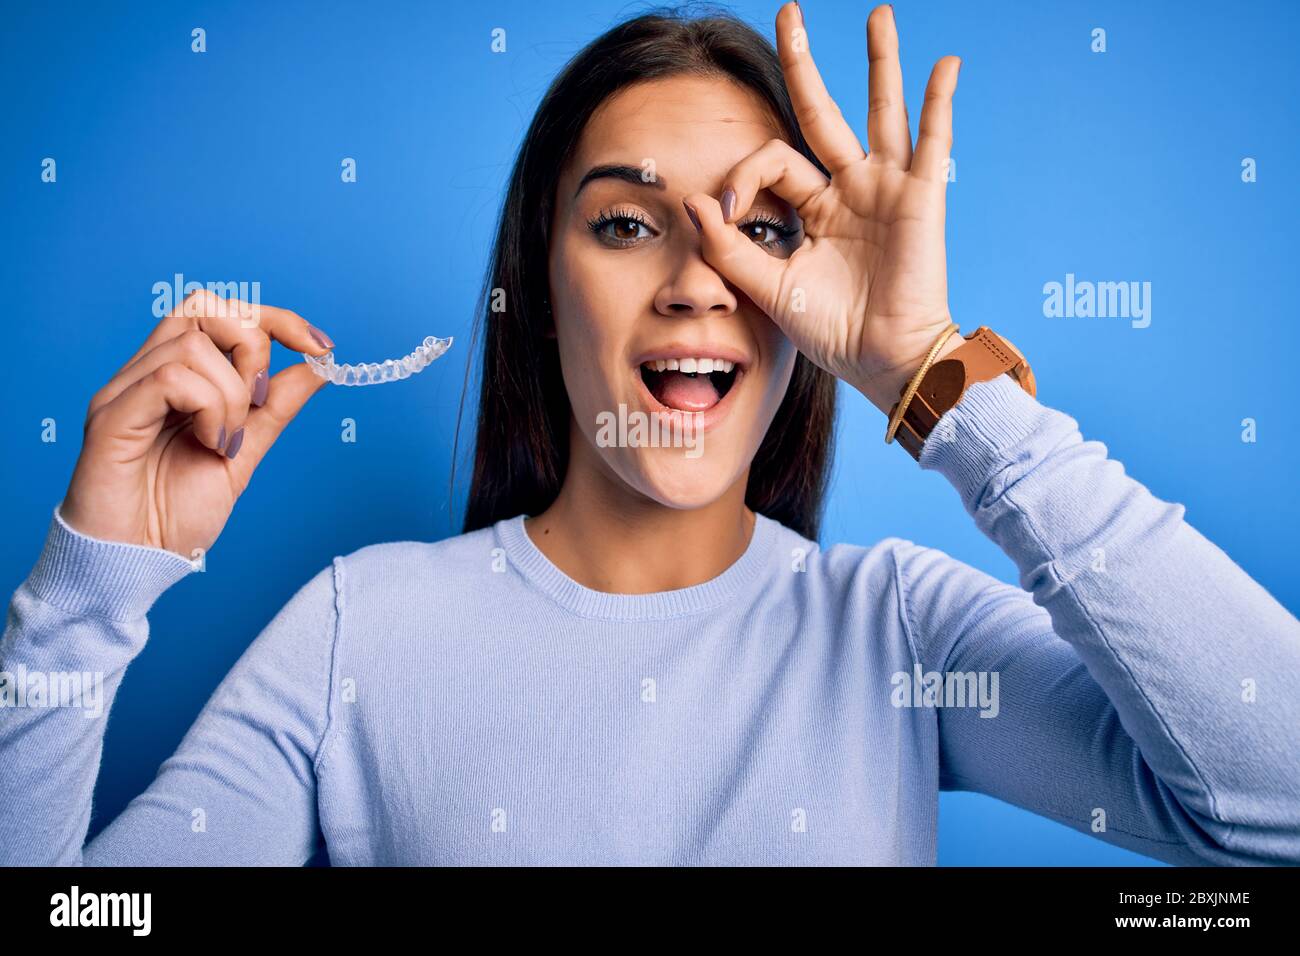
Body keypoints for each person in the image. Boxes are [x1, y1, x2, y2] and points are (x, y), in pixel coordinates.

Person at [2, 3, 1297, 866]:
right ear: (541, 281)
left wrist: (934, 377)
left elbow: (1272, 809)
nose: (697, 278)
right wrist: (88, 591)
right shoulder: (362, 630)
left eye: (763, 231)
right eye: (627, 222)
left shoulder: (898, 631)